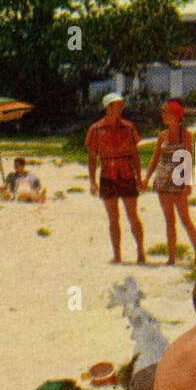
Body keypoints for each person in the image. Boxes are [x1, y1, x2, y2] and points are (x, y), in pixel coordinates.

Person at [85, 92, 145, 264]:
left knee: (133, 216)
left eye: (121, 104)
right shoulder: (96, 129)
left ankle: (140, 251)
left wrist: (139, 177)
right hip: (107, 175)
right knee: (113, 218)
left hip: (126, 173)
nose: (121, 108)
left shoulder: (128, 127)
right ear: (108, 107)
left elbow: (135, 154)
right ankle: (117, 254)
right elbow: (91, 158)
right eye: (117, 105)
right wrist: (92, 181)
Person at [142, 99, 196, 265]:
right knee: (169, 220)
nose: (162, 115)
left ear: (175, 115)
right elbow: (155, 159)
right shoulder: (162, 135)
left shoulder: (186, 135)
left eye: (165, 112)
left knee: (185, 219)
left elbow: (188, 159)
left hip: (178, 181)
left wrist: (187, 183)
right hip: (162, 180)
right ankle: (171, 257)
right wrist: (146, 178)